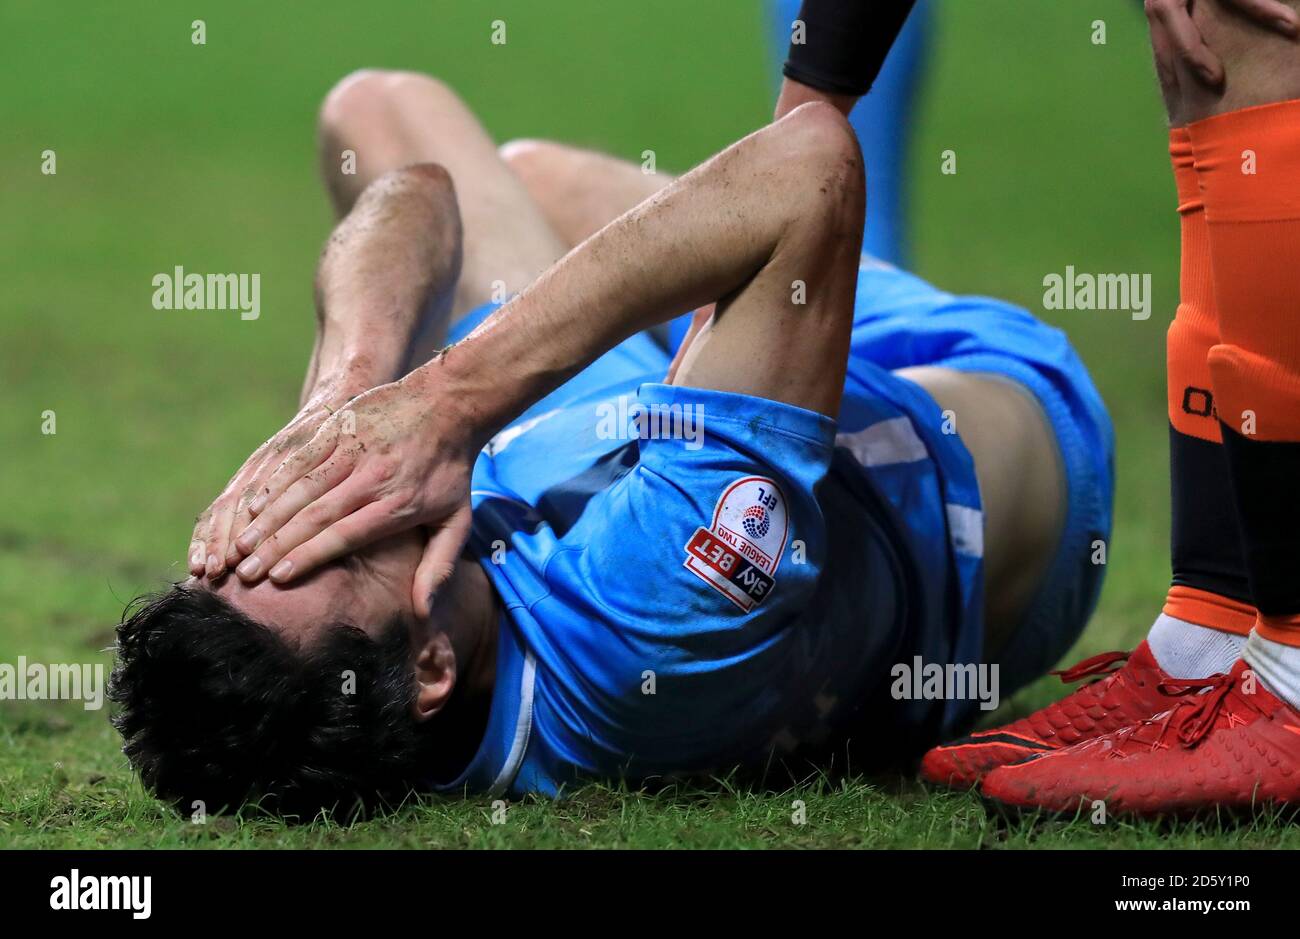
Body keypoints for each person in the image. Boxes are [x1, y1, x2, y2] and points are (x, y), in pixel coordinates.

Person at [112, 65, 1111, 817]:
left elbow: (384, 124)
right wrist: (452, 401)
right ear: (430, 667)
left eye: (253, 535)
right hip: (983, 430)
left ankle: (765, 326)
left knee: (501, 165)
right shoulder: (644, 616)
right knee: (775, 214)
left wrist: (341, 397)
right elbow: (812, 159)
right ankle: (807, 306)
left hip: (666, 411)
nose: (313, 502)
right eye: (330, 543)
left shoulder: (403, 519)